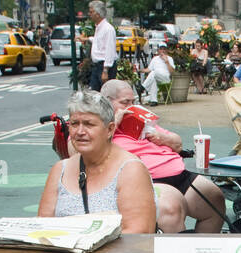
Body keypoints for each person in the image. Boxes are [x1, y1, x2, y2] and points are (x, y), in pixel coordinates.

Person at [101, 79, 226, 233]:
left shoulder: (141, 121)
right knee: (172, 210)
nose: (131, 108)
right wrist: (114, 123)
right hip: (150, 181)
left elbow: (178, 144)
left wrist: (162, 138)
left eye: (133, 102)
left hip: (179, 174)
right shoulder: (101, 129)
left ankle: (201, 252)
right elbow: (90, 152)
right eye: (125, 103)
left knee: (215, 199)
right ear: (106, 103)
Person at [36, 90, 157, 234]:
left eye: (89, 124)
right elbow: (42, 227)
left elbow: (138, 232)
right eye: (74, 124)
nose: (80, 131)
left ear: (110, 129)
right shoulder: (60, 169)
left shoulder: (131, 170)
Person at [87, 1, 116, 92]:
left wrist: (105, 70)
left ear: (98, 14)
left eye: (91, 12)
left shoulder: (108, 29)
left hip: (103, 66)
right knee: (94, 93)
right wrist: (87, 39)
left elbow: (109, 49)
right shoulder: (99, 28)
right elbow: (98, 42)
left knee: (105, 94)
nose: (89, 14)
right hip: (97, 66)